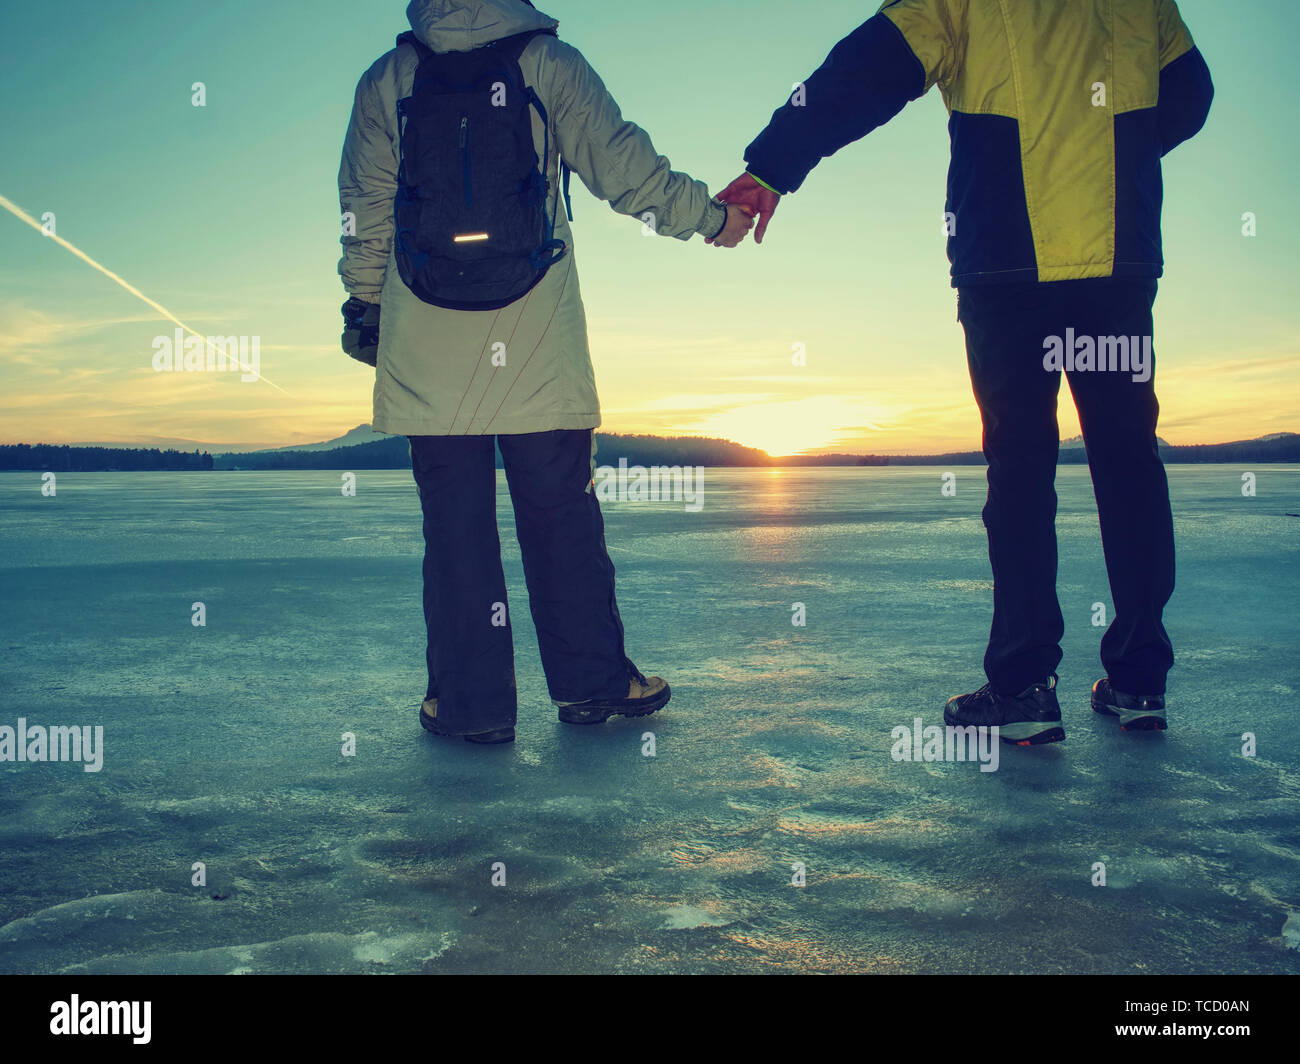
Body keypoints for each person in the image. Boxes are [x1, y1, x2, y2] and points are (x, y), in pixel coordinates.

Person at [717, 0, 1213, 744]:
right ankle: (1140, 679)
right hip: (1117, 264)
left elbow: (865, 72)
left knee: (1019, 469)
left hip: (1007, 264)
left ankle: (1022, 688)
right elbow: (1191, 94)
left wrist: (772, 167)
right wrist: (1115, 157)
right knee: (1128, 464)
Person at [338, 0, 754, 745]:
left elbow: (366, 207)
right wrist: (711, 218)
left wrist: (366, 304)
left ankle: (473, 707)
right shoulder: (549, 63)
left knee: (455, 529)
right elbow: (624, 168)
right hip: (535, 333)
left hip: (427, 340)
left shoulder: (387, 79)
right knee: (561, 516)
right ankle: (594, 686)